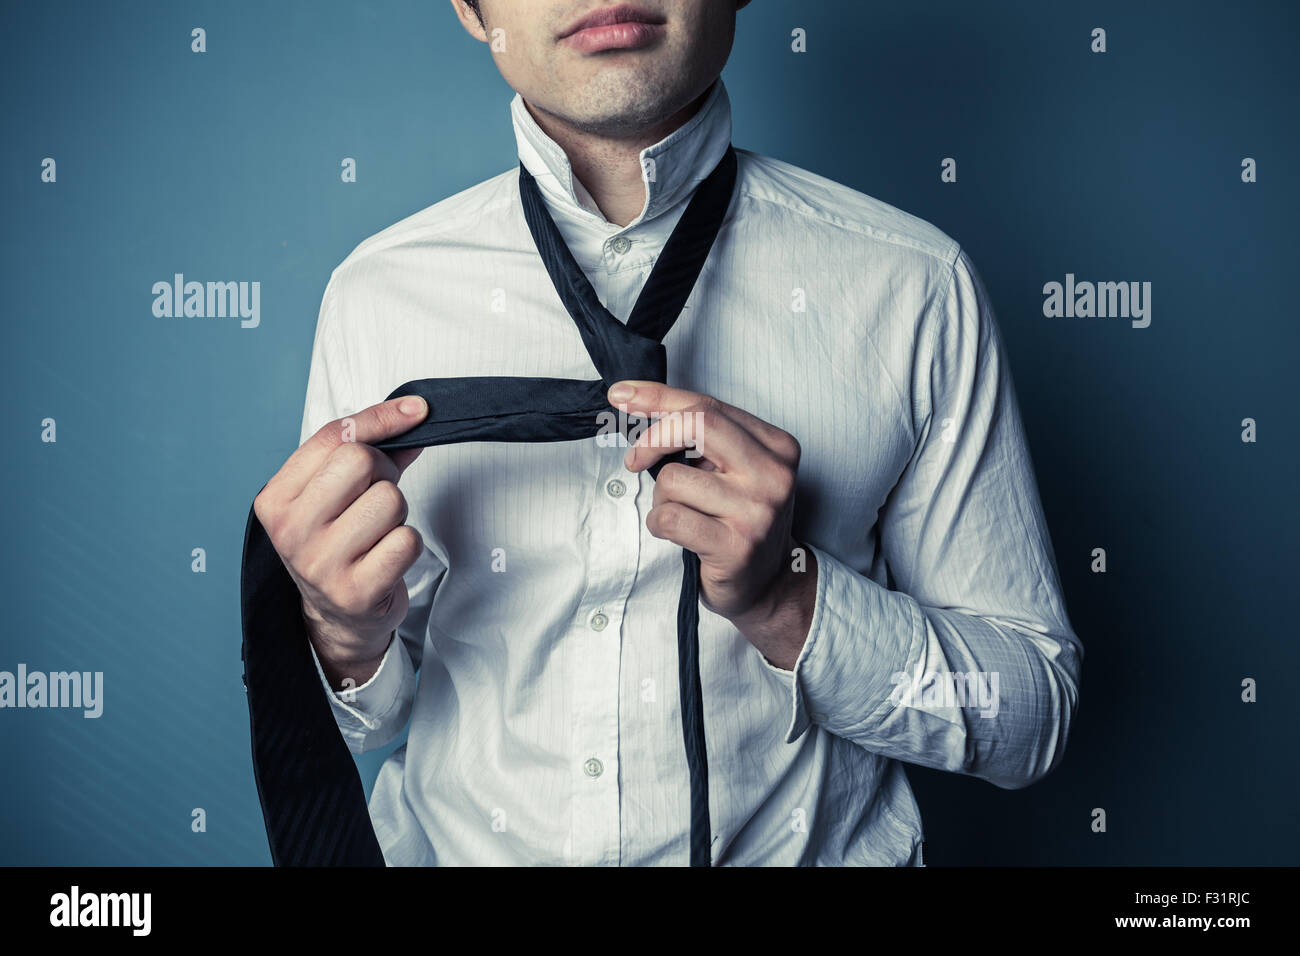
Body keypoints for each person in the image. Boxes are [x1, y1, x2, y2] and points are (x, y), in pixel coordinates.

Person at [252, 0, 1082, 866]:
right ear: (469, 7)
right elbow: (367, 715)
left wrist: (791, 601)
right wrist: (341, 636)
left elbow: (1031, 715)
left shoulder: (915, 288)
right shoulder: (377, 295)